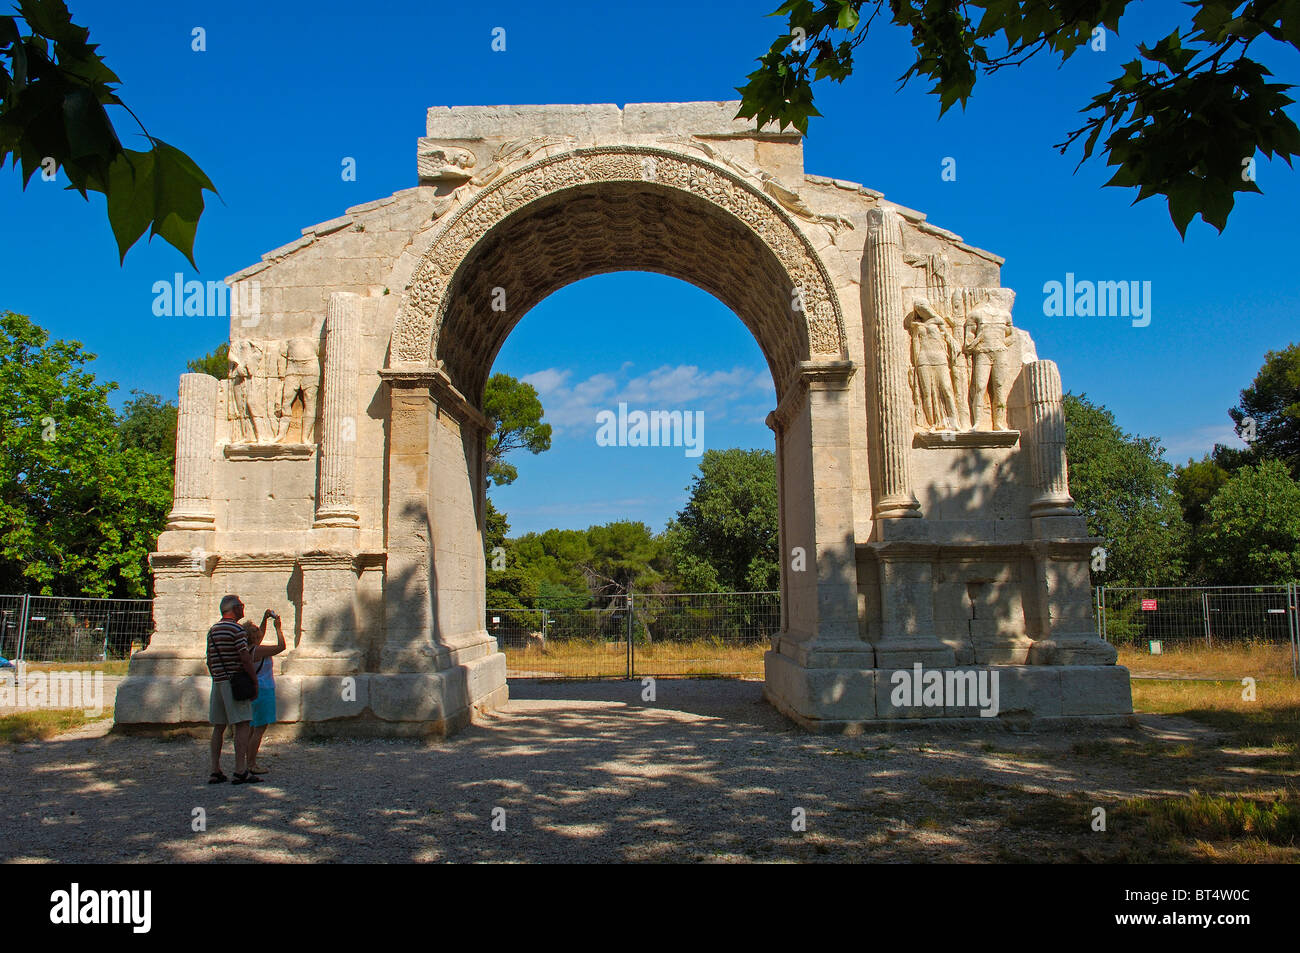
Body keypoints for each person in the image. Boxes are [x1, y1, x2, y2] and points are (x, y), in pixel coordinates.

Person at [206, 594, 262, 785]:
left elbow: (209, 659)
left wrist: (217, 677)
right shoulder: (237, 630)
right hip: (235, 682)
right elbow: (245, 658)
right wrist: (254, 682)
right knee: (242, 725)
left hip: (218, 682)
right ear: (235, 608)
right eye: (241, 605)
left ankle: (215, 770)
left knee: (218, 727)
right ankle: (240, 770)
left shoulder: (213, 630)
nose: (243, 609)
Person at [245, 609, 286, 775]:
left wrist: (265, 618)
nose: (259, 632)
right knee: (259, 729)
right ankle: (252, 763)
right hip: (264, 690)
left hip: (254, 690)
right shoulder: (258, 651)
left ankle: (245, 762)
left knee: (250, 729)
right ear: (252, 636)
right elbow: (281, 647)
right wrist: (278, 628)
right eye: (255, 631)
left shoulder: (248, 649)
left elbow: (259, 635)